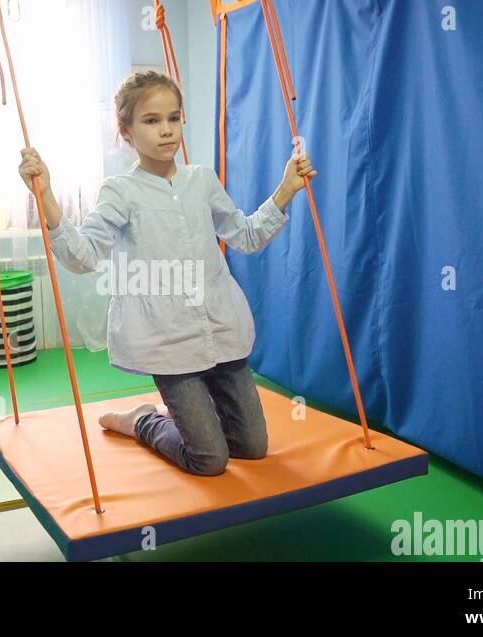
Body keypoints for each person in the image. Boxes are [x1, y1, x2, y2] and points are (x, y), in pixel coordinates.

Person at [17, 70, 315, 476]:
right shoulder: (121, 191)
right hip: (169, 344)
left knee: (252, 447)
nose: (166, 131)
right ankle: (143, 419)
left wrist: (285, 189)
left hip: (221, 334)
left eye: (174, 118)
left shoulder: (201, 180)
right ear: (126, 130)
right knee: (210, 461)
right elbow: (83, 256)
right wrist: (47, 195)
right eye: (151, 121)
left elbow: (245, 236)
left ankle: (197, 417)